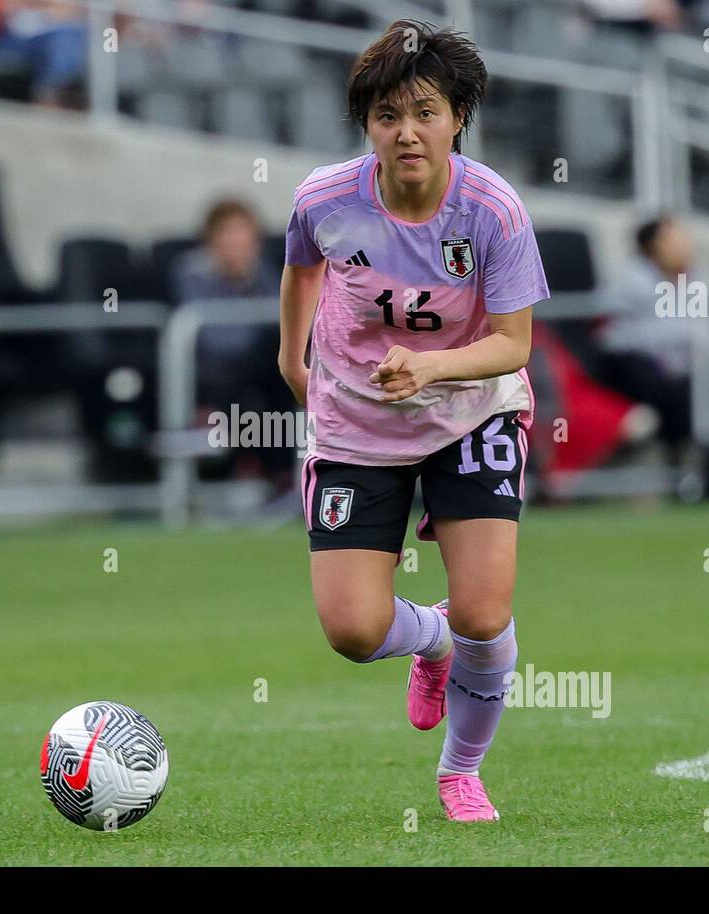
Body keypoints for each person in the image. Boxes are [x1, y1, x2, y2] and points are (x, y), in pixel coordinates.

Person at [279, 20, 550, 822]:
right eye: (388, 115)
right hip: (356, 423)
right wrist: (291, 357)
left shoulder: (493, 211)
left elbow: (514, 343)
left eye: (425, 112)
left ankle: (461, 771)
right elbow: (300, 268)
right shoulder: (324, 198)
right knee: (354, 631)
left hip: (471, 412)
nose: (407, 133)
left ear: (458, 116)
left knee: (484, 611)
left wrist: (429, 366)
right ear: (367, 123)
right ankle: (427, 641)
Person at [596, 215, 709, 453]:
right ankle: (681, 459)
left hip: (692, 367)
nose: (686, 244)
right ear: (656, 245)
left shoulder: (696, 276)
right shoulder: (632, 281)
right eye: (676, 238)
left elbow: (708, 331)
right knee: (676, 394)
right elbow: (646, 337)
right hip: (646, 370)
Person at [170, 198, 289, 494]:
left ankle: (281, 476)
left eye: (242, 234)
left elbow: (284, 323)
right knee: (269, 359)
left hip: (260, 377)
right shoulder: (191, 274)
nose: (235, 244)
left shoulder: (263, 274)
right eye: (227, 234)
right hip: (210, 373)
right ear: (210, 240)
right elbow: (215, 338)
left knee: (277, 373)